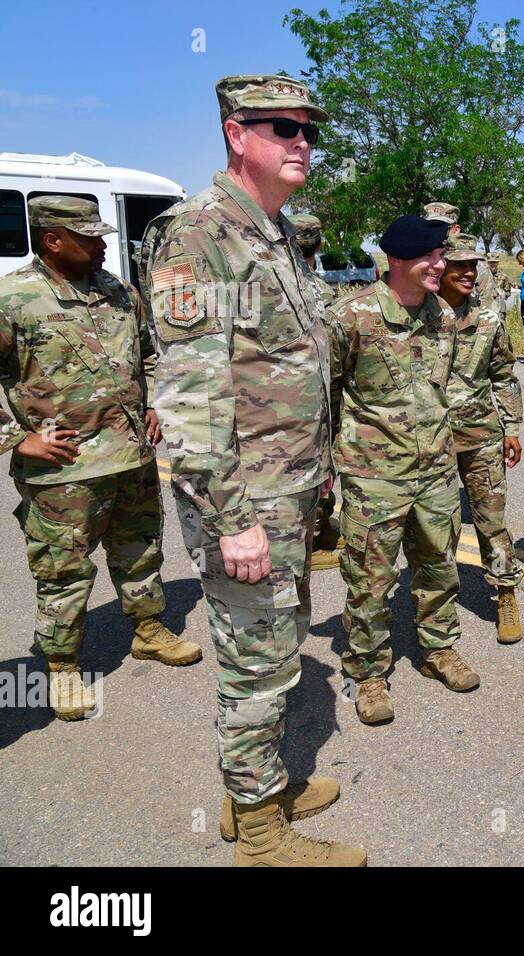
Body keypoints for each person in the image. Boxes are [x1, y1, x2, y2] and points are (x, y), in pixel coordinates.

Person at [140, 74, 363, 866]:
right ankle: (261, 836)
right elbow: (191, 395)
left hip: (289, 488)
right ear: (237, 134)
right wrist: (231, 517)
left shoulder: (275, 231)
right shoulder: (197, 233)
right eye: (283, 128)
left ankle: (257, 792)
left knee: (278, 641)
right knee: (258, 665)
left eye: (309, 130)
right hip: (245, 499)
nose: (302, 141)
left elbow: (293, 366)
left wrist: (323, 473)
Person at [0, 196, 202, 722]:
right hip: (63, 469)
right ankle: (62, 667)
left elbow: (151, 353)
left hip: (131, 456)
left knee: (139, 550)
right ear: (51, 240)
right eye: (89, 236)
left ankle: (148, 630)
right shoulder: (14, 298)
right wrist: (15, 438)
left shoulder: (118, 291)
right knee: (63, 570)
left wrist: (156, 399)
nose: (103, 243)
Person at [329, 214, 478, 726]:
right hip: (375, 477)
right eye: (430, 256)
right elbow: (322, 394)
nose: (441, 264)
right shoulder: (352, 316)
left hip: (435, 470)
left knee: (439, 565)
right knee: (370, 578)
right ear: (396, 260)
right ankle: (368, 673)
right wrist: (328, 469)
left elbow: (444, 388)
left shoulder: (442, 314)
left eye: (443, 255)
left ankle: (439, 648)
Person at [440, 234, 524, 643]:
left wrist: (512, 427)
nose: (468, 274)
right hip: (432, 437)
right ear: (439, 267)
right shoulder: (420, 316)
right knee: (438, 525)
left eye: (472, 266)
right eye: (459, 266)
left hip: (481, 434)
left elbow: (503, 376)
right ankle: (437, 603)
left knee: (491, 520)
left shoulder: (489, 319)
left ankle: (506, 593)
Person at [289, 212, 343, 567]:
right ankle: (319, 532)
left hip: (289, 394)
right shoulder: (325, 291)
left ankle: (315, 531)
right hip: (326, 390)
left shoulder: (277, 285)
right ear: (319, 245)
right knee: (327, 460)